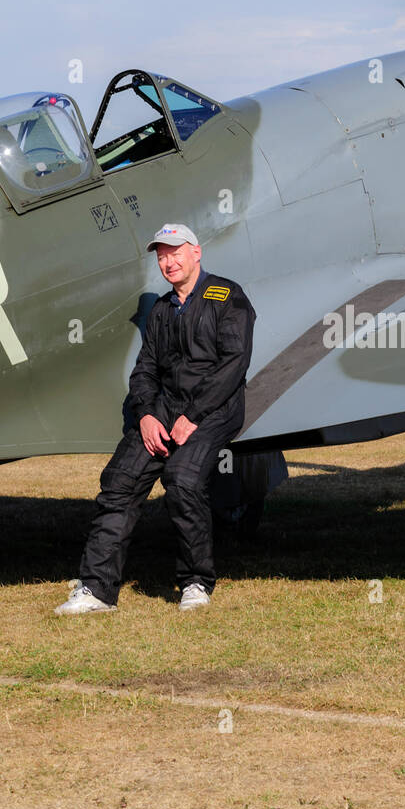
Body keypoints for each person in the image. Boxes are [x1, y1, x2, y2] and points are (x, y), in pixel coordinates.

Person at [54, 223, 256, 614]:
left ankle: (195, 581)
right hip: (165, 408)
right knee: (119, 482)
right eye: (161, 255)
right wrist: (146, 415)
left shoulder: (227, 297)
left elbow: (234, 363)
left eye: (176, 252)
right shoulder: (161, 310)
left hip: (215, 408)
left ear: (196, 253)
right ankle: (96, 590)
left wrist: (193, 416)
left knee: (181, 479)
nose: (168, 261)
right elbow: (144, 371)